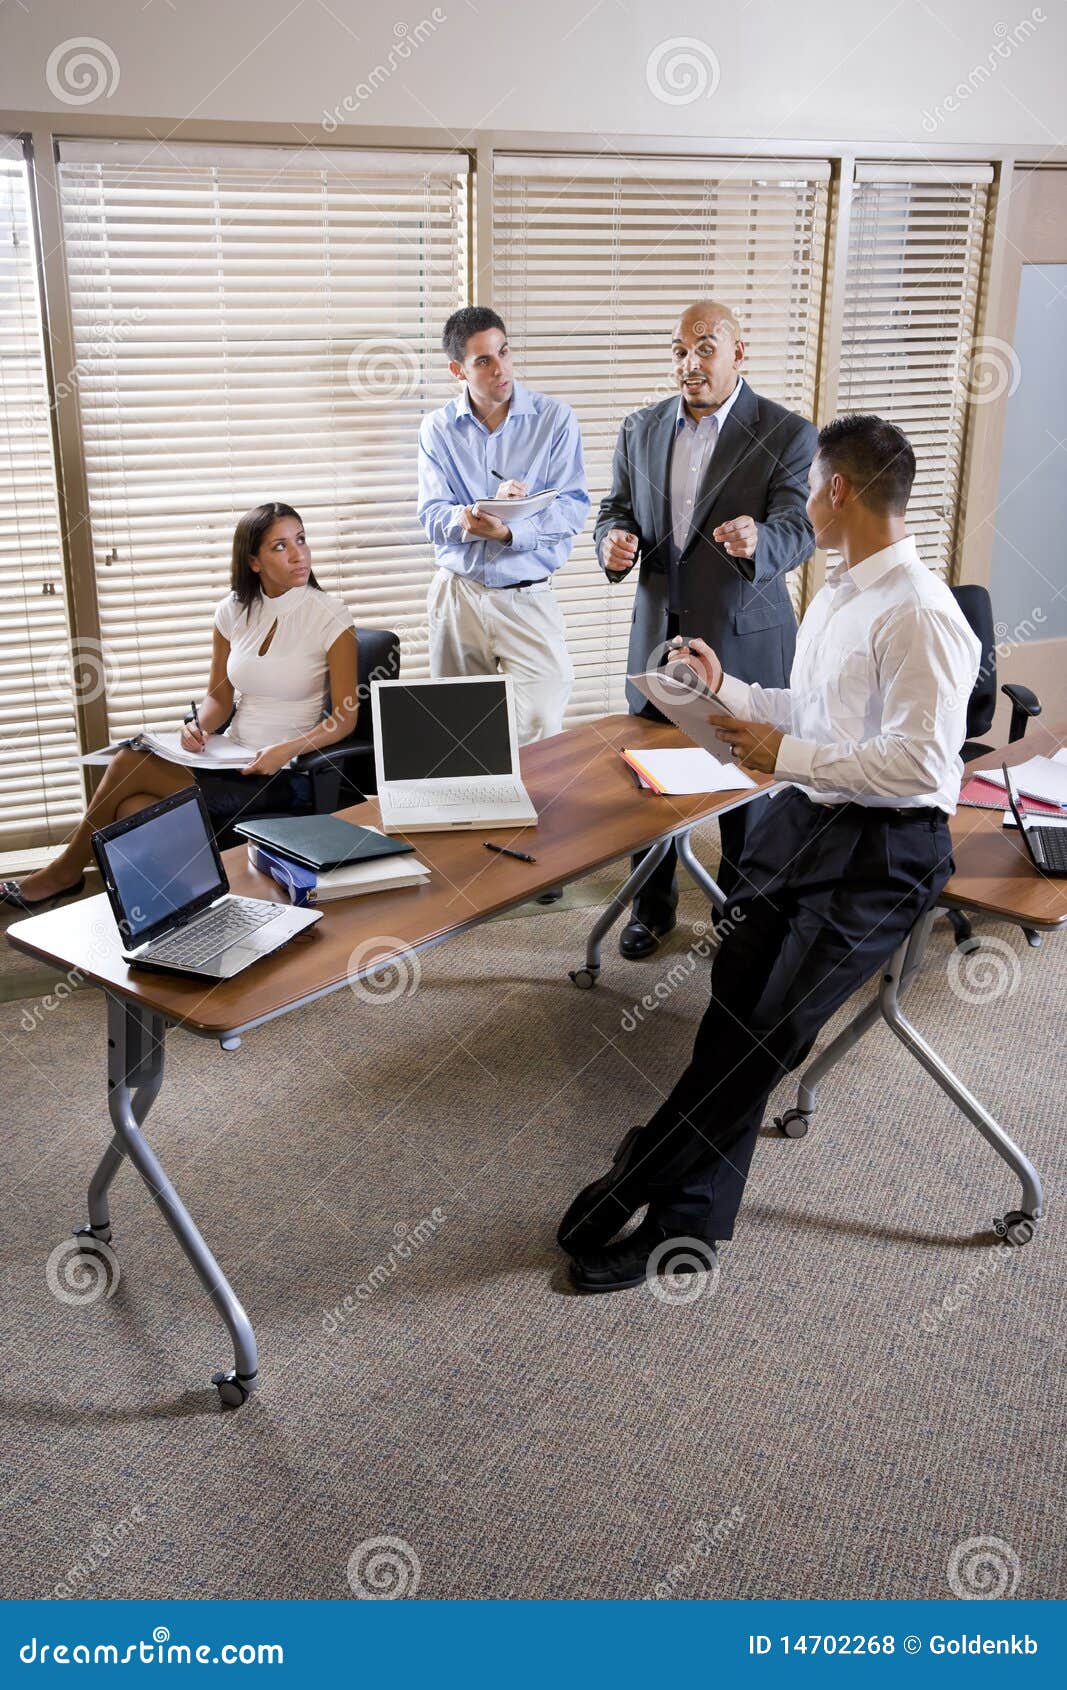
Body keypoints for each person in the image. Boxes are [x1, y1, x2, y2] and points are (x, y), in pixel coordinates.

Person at [559, 414, 982, 1294]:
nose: (797, 506)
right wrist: (727, 692)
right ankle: (688, 1204)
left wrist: (778, 756)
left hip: (885, 852)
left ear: (836, 490)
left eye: (809, 488)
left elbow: (917, 764)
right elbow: (807, 710)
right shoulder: (834, 593)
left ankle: (647, 1185)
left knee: (769, 1036)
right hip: (806, 820)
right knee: (733, 1018)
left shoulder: (922, 614)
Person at [1, 504, 358, 913]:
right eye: (280, 546)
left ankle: (64, 872)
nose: (298, 555)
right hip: (230, 760)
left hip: (283, 775)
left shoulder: (330, 615)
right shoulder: (234, 611)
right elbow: (219, 699)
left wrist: (287, 748)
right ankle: (182, 916)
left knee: (130, 761)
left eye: (300, 540)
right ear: (253, 561)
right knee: (132, 808)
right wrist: (196, 727)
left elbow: (345, 718)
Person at [595, 301, 817, 959]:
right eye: (677, 350)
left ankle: (741, 918)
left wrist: (760, 538)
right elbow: (614, 510)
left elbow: (800, 528)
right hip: (658, 637)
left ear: (738, 353)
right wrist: (611, 540)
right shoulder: (639, 427)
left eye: (704, 349)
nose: (688, 364)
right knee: (651, 784)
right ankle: (650, 909)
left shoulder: (785, 433)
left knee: (748, 789)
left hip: (744, 638)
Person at [417, 306, 589, 747]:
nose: (501, 369)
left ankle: (537, 813)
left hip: (526, 594)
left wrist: (512, 530)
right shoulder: (436, 429)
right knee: (461, 730)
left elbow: (572, 508)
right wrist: (468, 519)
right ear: (458, 369)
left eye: (505, 352)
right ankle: (479, 814)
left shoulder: (555, 420)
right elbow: (432, 513)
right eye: (484, 361)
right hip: (459, 594)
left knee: (540, 718)